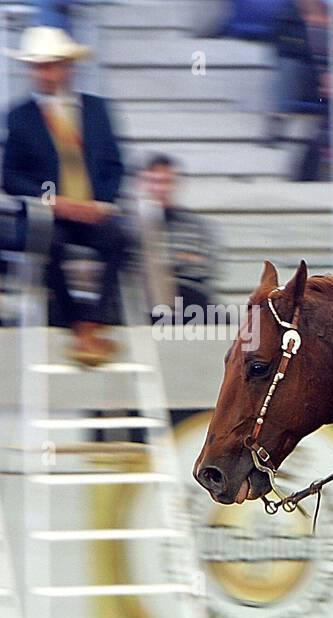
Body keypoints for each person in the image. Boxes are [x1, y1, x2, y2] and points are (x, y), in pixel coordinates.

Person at [2, 25, 126, 366]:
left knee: (119, 238)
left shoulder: (96, 109)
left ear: (67, 67)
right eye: (38, 66)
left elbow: (114, 164)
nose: (44, 73)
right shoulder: (20, 116)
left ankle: (96, 319)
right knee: (48, 243)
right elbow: (11, 177)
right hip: (50, 215)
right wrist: (53, 202)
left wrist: (102, 203)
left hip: (90, 211)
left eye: (50, 64)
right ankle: (78, 322)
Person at [130, 154, 219, 324]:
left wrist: (160, 264)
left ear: (177, 184)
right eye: (153, 181)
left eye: (166, 182)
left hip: (190, 298)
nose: (160, 189)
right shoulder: (131, 227)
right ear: (140, 184)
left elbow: (205, 269)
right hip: (146, 300)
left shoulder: (197, 226)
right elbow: (132, 269)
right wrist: (181, 258)